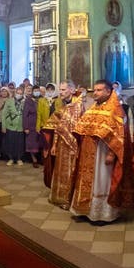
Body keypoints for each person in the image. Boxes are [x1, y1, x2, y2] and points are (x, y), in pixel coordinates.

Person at [70, 79, 133, 224]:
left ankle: (101, 214)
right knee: (88, 182)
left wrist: (112, 153)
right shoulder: (93, 108)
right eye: (95, 90)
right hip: (88, 152)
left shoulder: (115, 110)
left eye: (99, 90)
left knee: (101, 182)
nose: (95, 93)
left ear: (108, 91)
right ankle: (83, 209)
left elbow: (120, 135)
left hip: (103, 153)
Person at [45, 80, 86, 208]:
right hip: (62, 145)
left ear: (72, 90)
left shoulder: (78, 106)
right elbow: (58, 126)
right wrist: (54, 145)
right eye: (60, 90)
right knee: (60, 171)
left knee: (71, 172)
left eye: (63, 90)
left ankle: (68, 200)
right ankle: (59, 197)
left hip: (73, 145)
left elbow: (77, 127)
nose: (61, 92)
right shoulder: (62, 105)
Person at [1, 86, 25, 165]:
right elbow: (4, 114)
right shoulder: (9, 101)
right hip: (10, 125)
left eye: (21, 93)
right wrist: (3, 126)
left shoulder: (24, 101)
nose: (19, 94)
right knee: (10, 142)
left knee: (19, 143)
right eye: (18, 93)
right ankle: (11, 158)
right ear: (15, 93)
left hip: (20, 126)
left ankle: (19, 158)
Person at [22, 84, 42, 168]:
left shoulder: (42, 99)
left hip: (40, 124)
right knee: (32, 144)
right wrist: (25, 127)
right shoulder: (28, 100)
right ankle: (34, 159)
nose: (36, 92)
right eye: (35, 91)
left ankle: (39, 159)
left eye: (38, 90)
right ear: (32, 92)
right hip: (31, 124)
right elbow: (25, 114)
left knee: (39, 143)